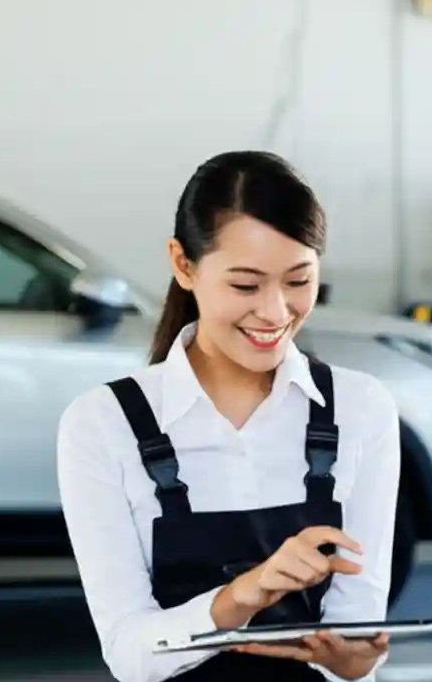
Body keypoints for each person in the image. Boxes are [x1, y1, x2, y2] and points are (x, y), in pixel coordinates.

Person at [57, 151, 399, 682]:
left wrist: (355, 663)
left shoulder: (362, 410)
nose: (275, 312)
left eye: (298, 281)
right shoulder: (103, 424)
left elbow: (357, 626)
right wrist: (244, 595)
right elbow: (130, 654)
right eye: (246, 285)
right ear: (183, 264)